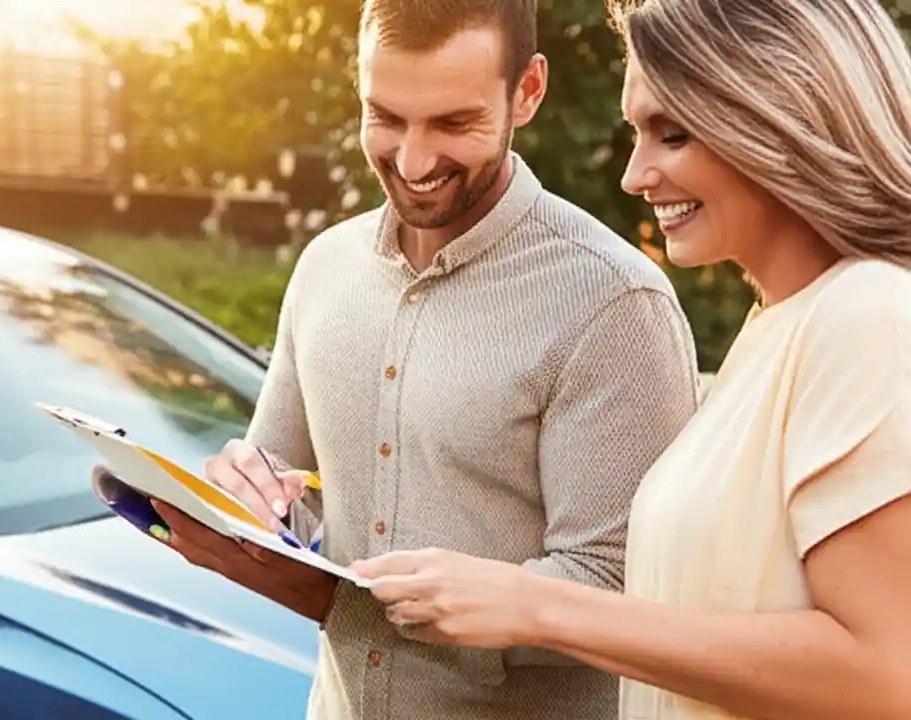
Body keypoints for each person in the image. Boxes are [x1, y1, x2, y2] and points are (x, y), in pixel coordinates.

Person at [350, 0, 911, 718]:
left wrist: (534, 606)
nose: (636, 175)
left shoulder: (864, 314)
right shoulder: (773, 328)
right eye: (636, 133)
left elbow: (887, 674)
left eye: (670, 135)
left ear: (780, 120)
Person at [148, 0, 701, 718]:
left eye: (453, 123)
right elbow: (296, 495)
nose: (413, 162)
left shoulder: (613, 303)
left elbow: (623, 592)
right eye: (386, 117)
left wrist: (351, 604)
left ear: (526, 92)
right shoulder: (324, 268)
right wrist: (249, 500)